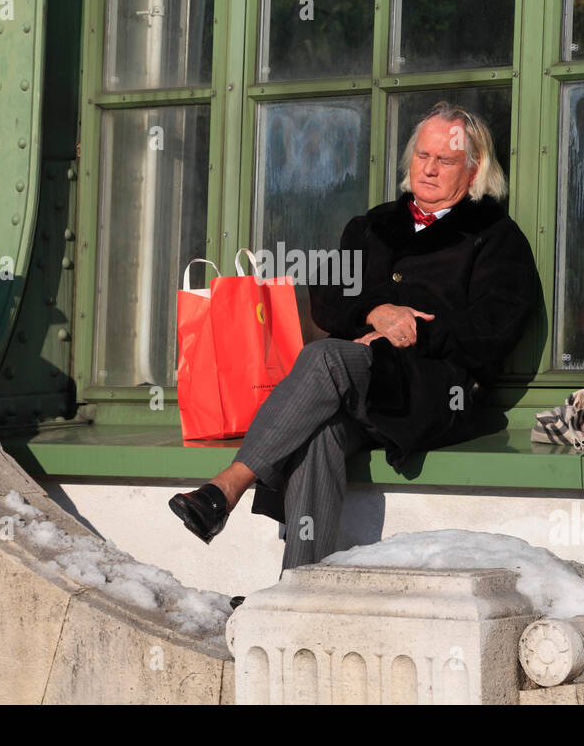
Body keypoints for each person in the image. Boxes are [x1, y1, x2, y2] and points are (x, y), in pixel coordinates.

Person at [169, 102, 538, 574]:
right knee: (318, 434)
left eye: (444, 161)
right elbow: (326, 301)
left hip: (431, 396)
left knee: (324, 357)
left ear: (473, 170)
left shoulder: (496, 237)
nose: (428, 168)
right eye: (422, 155)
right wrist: (374, 311)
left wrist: (406, 331)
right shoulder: (373, 226)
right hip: (359, 392)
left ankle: (227, 488)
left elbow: (493, 332)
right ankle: (297, 586)